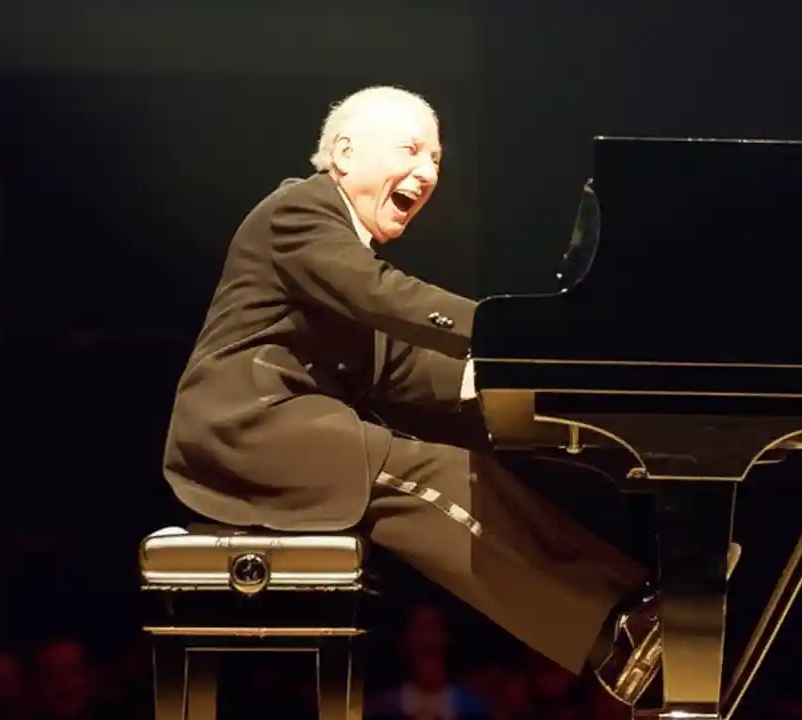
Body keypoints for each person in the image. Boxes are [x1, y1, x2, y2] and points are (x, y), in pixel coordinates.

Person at [160, 85, 660, 705]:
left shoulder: (335, 252)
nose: (427, 173)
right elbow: (383, 296)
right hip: (248, 430)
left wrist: (529, 388)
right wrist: (512, 330)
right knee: (437, 473)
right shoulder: (300, 211)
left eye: (437, 162)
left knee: (488, 463)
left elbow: (403, 371)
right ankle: (614, 629)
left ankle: (632, 605)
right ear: (344, 153)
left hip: (300, 431)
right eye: (412, 150)